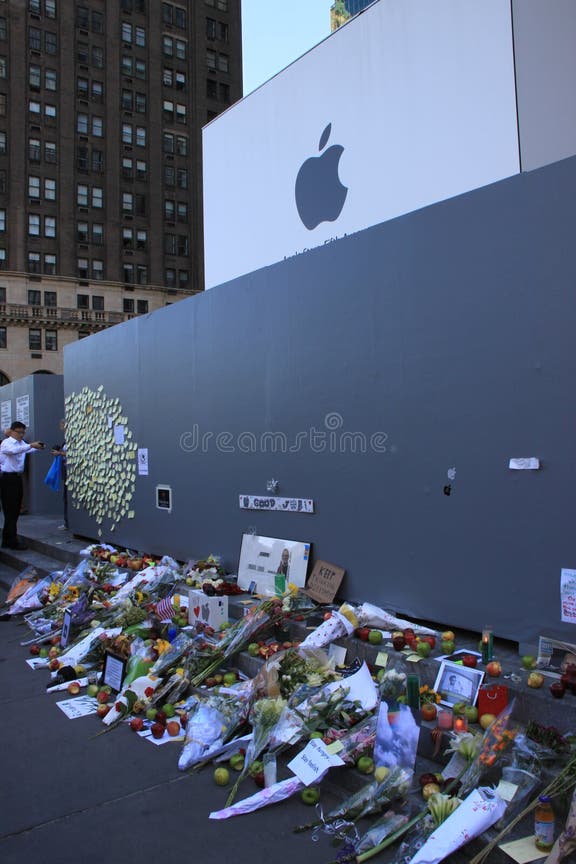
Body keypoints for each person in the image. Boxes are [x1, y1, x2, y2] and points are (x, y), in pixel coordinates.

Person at [0, 422, 45, 549]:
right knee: (10, 510)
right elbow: (12, 451)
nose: (21, 435)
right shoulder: (6, 443)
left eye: (23, 432)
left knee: (15, 510)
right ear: (12, 431)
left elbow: (28, 449)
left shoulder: (22, 444)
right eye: (19, 432)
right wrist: (31, 445)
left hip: (17, 478)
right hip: (8, 479)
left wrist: (37, 447)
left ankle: (7, 540)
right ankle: (12, 541)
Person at [51, 419, 68, 530]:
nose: (60, 427)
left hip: (71, 473)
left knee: (67, 498)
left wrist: (60, 453)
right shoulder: (65, 440)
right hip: (66, 472)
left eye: (61, 425)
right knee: (65, 498)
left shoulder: (72, 438)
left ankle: (69, 522)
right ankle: (67, 522)